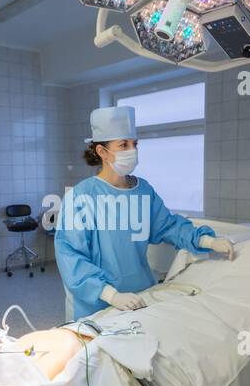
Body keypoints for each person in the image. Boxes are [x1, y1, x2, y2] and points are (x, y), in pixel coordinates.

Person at [55, 106, 232, 319]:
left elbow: (168, 226)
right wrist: (111, 295)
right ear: (102, 152)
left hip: (141, 297)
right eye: (123, 145)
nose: (132, 150)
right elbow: (71, 257)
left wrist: (206, 241)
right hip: (98, 305)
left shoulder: (143, 191)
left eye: (134, 144)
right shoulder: (81, 197)